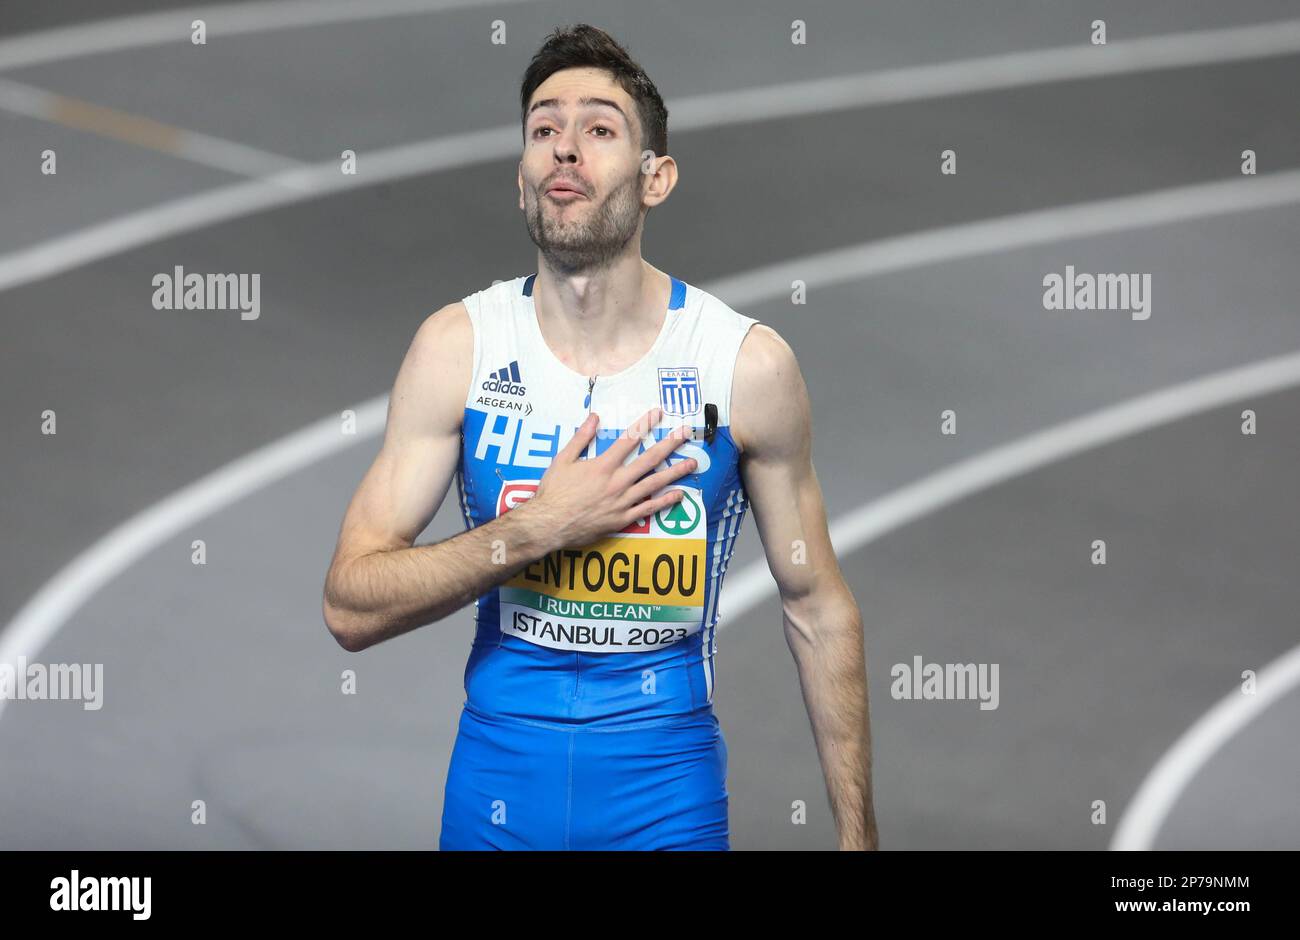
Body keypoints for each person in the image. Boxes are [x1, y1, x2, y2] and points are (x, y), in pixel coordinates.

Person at [322, 24, 877, 850]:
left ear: (657, 179)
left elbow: (817, 608)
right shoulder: (459, 349)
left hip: (665, 795)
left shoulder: (742, 367)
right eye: (544, 130)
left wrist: (858, 840)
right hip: (497, 786)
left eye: (599, 129)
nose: (565, 150)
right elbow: (349, 605)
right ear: (521, 181)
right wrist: (537, 529)